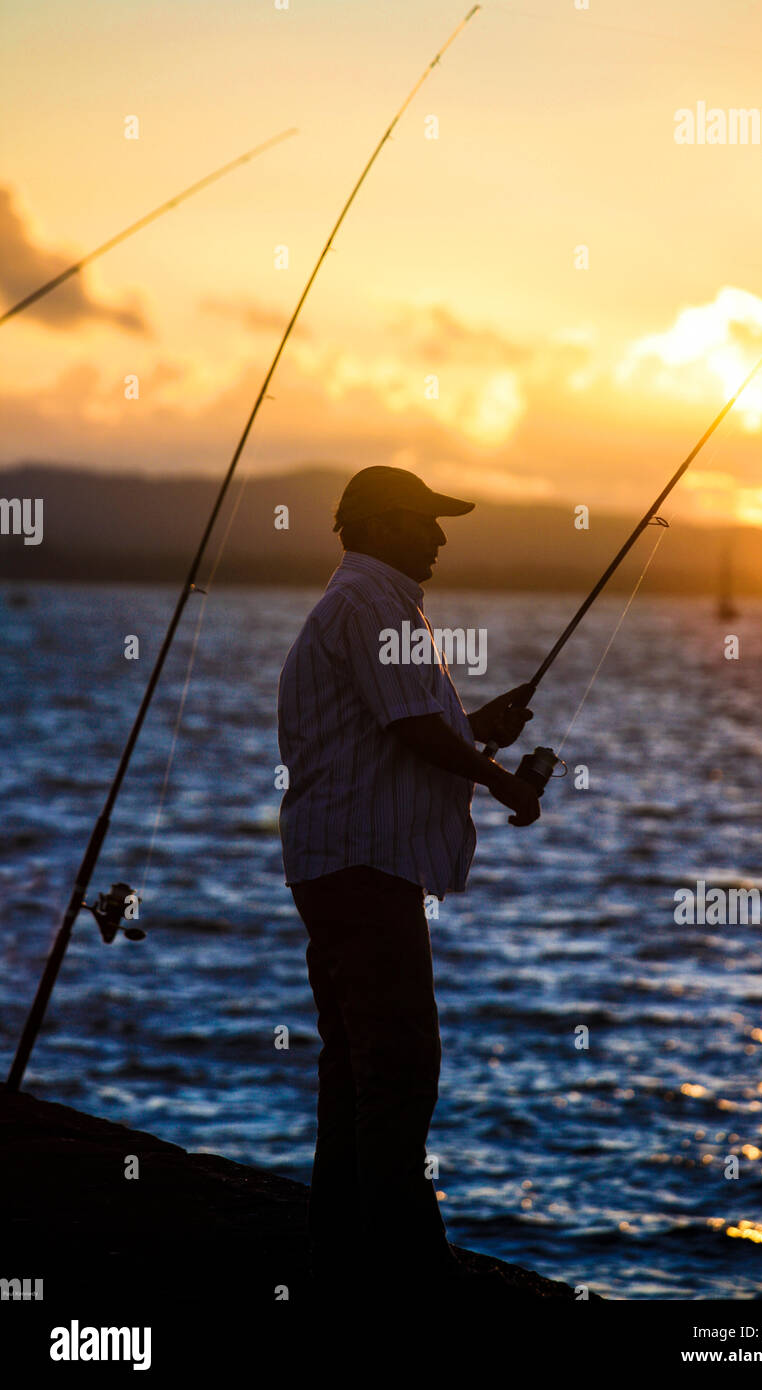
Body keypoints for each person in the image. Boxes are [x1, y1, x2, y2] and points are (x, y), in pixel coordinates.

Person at [277, 464, 539, 1303]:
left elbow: (411, 732)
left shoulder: (373, 603)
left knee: (356, 1064)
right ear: (384, 524)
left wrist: (476, 732)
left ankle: (343, 1253)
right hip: (361, 866)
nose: (440, 536)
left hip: (344, 862)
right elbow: (413, 731)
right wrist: (497, 778)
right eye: (426, 520)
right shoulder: (370, 604)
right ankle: (405, 1265)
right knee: (398, 1062)